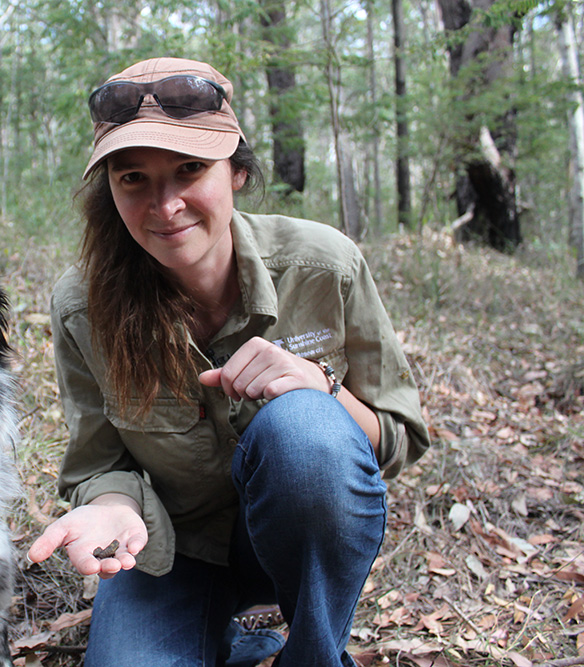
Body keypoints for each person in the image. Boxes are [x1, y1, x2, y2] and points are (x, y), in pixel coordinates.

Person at [27, 56, 430, 667]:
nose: (165, 205)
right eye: (133, 178)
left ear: (237, 171)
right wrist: (111, 506)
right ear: (109, 189)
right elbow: (98, 461)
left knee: (306, 432)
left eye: (190, 170)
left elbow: (398, 439)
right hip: (171, 554)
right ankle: (230, 634)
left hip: (293, 553)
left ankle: (312, 652)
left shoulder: (325, 267)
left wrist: (323, 389)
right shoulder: (83, 305)